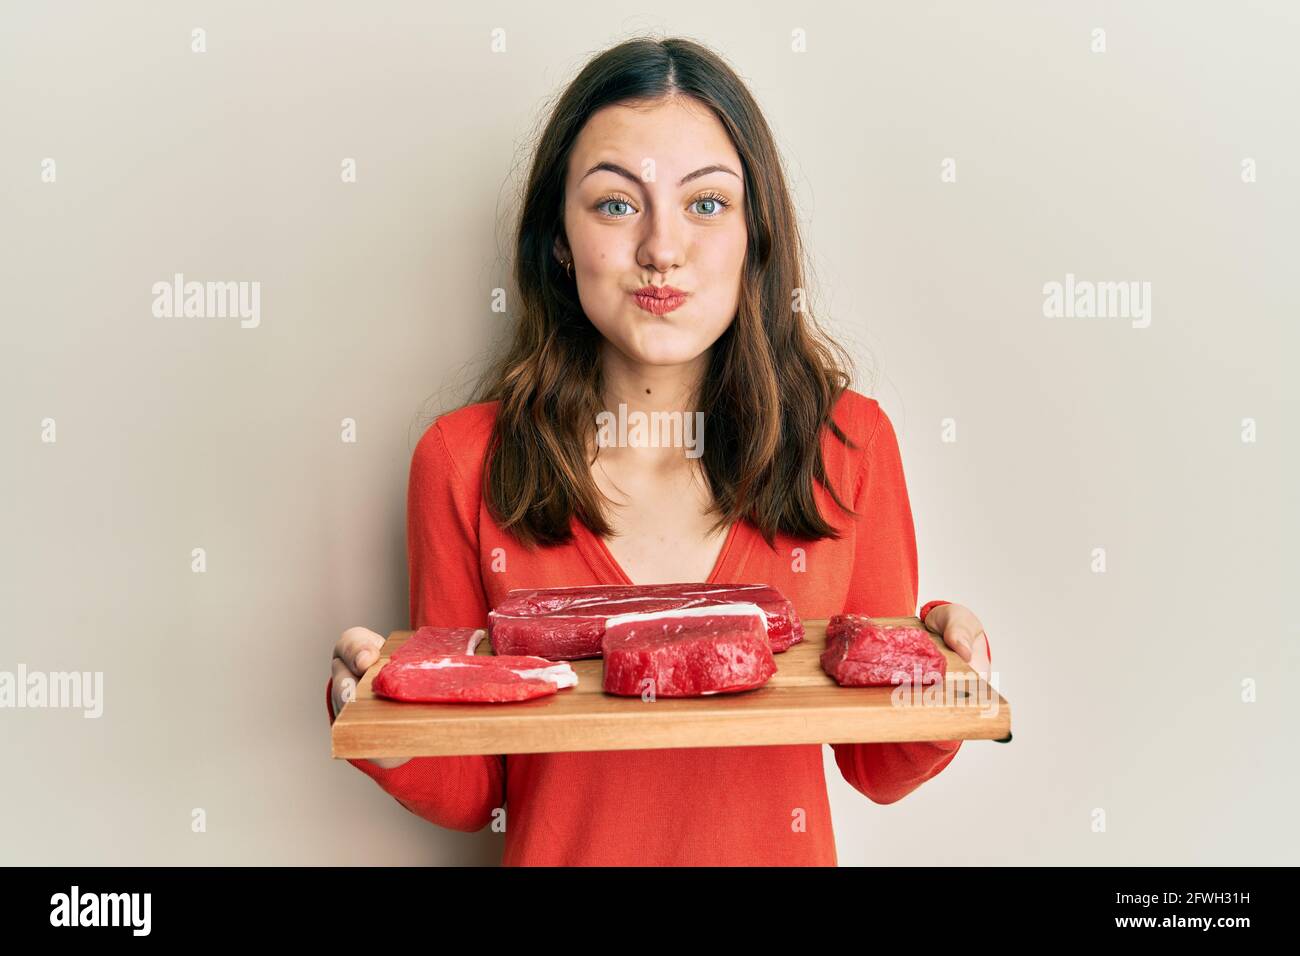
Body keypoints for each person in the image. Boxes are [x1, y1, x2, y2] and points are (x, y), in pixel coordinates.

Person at [326, 35, 993, 866]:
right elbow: (478, 788)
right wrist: (386, 732)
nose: (661, 249)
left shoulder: (849, 447)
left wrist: (946, 682)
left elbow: (880, 764)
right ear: (559, 240)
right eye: (615, 205)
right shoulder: (461, 463)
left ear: (756, 235)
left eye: (707, 204)